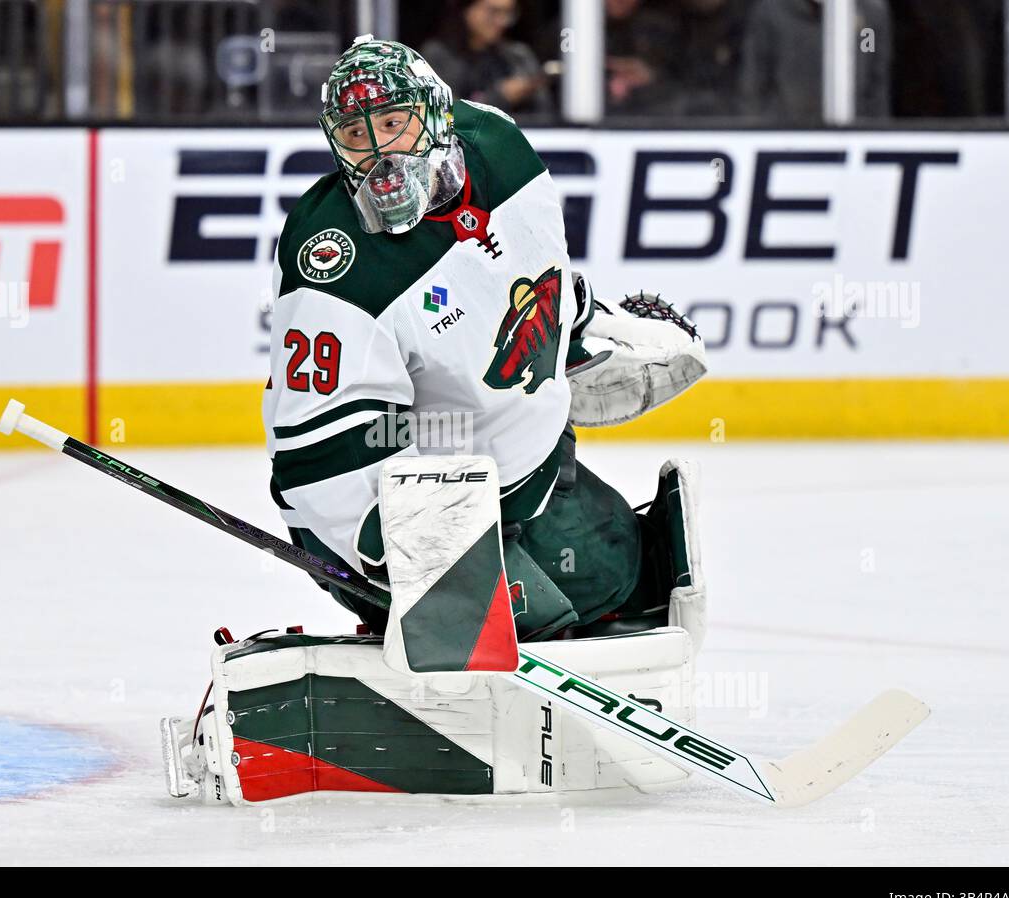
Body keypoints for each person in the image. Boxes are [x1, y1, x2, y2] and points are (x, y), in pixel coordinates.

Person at [263, 36, 707, 643]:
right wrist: (410, 558)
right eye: (357, 135)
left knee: (628, 577)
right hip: (405, 516)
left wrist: (576, 329)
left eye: (394, 123)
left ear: (438, 114)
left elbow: (530, 269)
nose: (379, 155)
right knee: (532, 622)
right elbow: (320, 455)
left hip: (533, 472)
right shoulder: (333, 264)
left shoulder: (501, 146)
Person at [739, 0, 892, 122]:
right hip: (787, 135)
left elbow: (875, 80)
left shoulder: (870, 20)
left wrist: (874, 134)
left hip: (852, 135)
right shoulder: (770, 12)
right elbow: (754, 86)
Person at [419, 0, 553, 119]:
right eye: (493, 11)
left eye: (509, 12)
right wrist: (500, 97)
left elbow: (546, 113)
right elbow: (443, 114)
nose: (502, 21)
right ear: (467, 9)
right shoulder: (437, 56)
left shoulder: (519, 56)